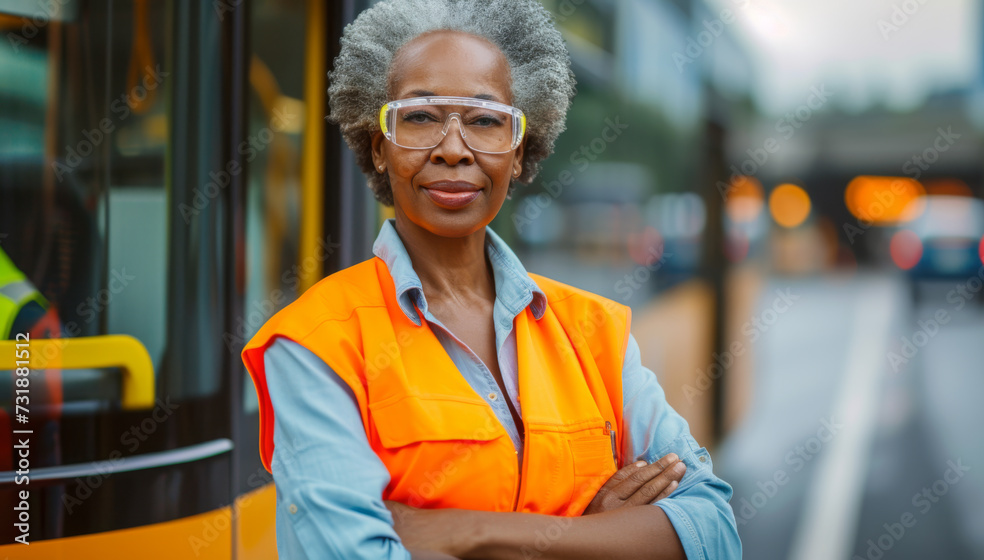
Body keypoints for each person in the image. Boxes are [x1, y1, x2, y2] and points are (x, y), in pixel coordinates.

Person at [242, 1, 741, 558]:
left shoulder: (596, 332)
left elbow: (713, 532)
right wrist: (593, 535)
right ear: (379, 146)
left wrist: (469, 533)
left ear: (519, 149)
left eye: (484, 120)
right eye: (421, 117)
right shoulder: (314, 346)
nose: (453, 150)